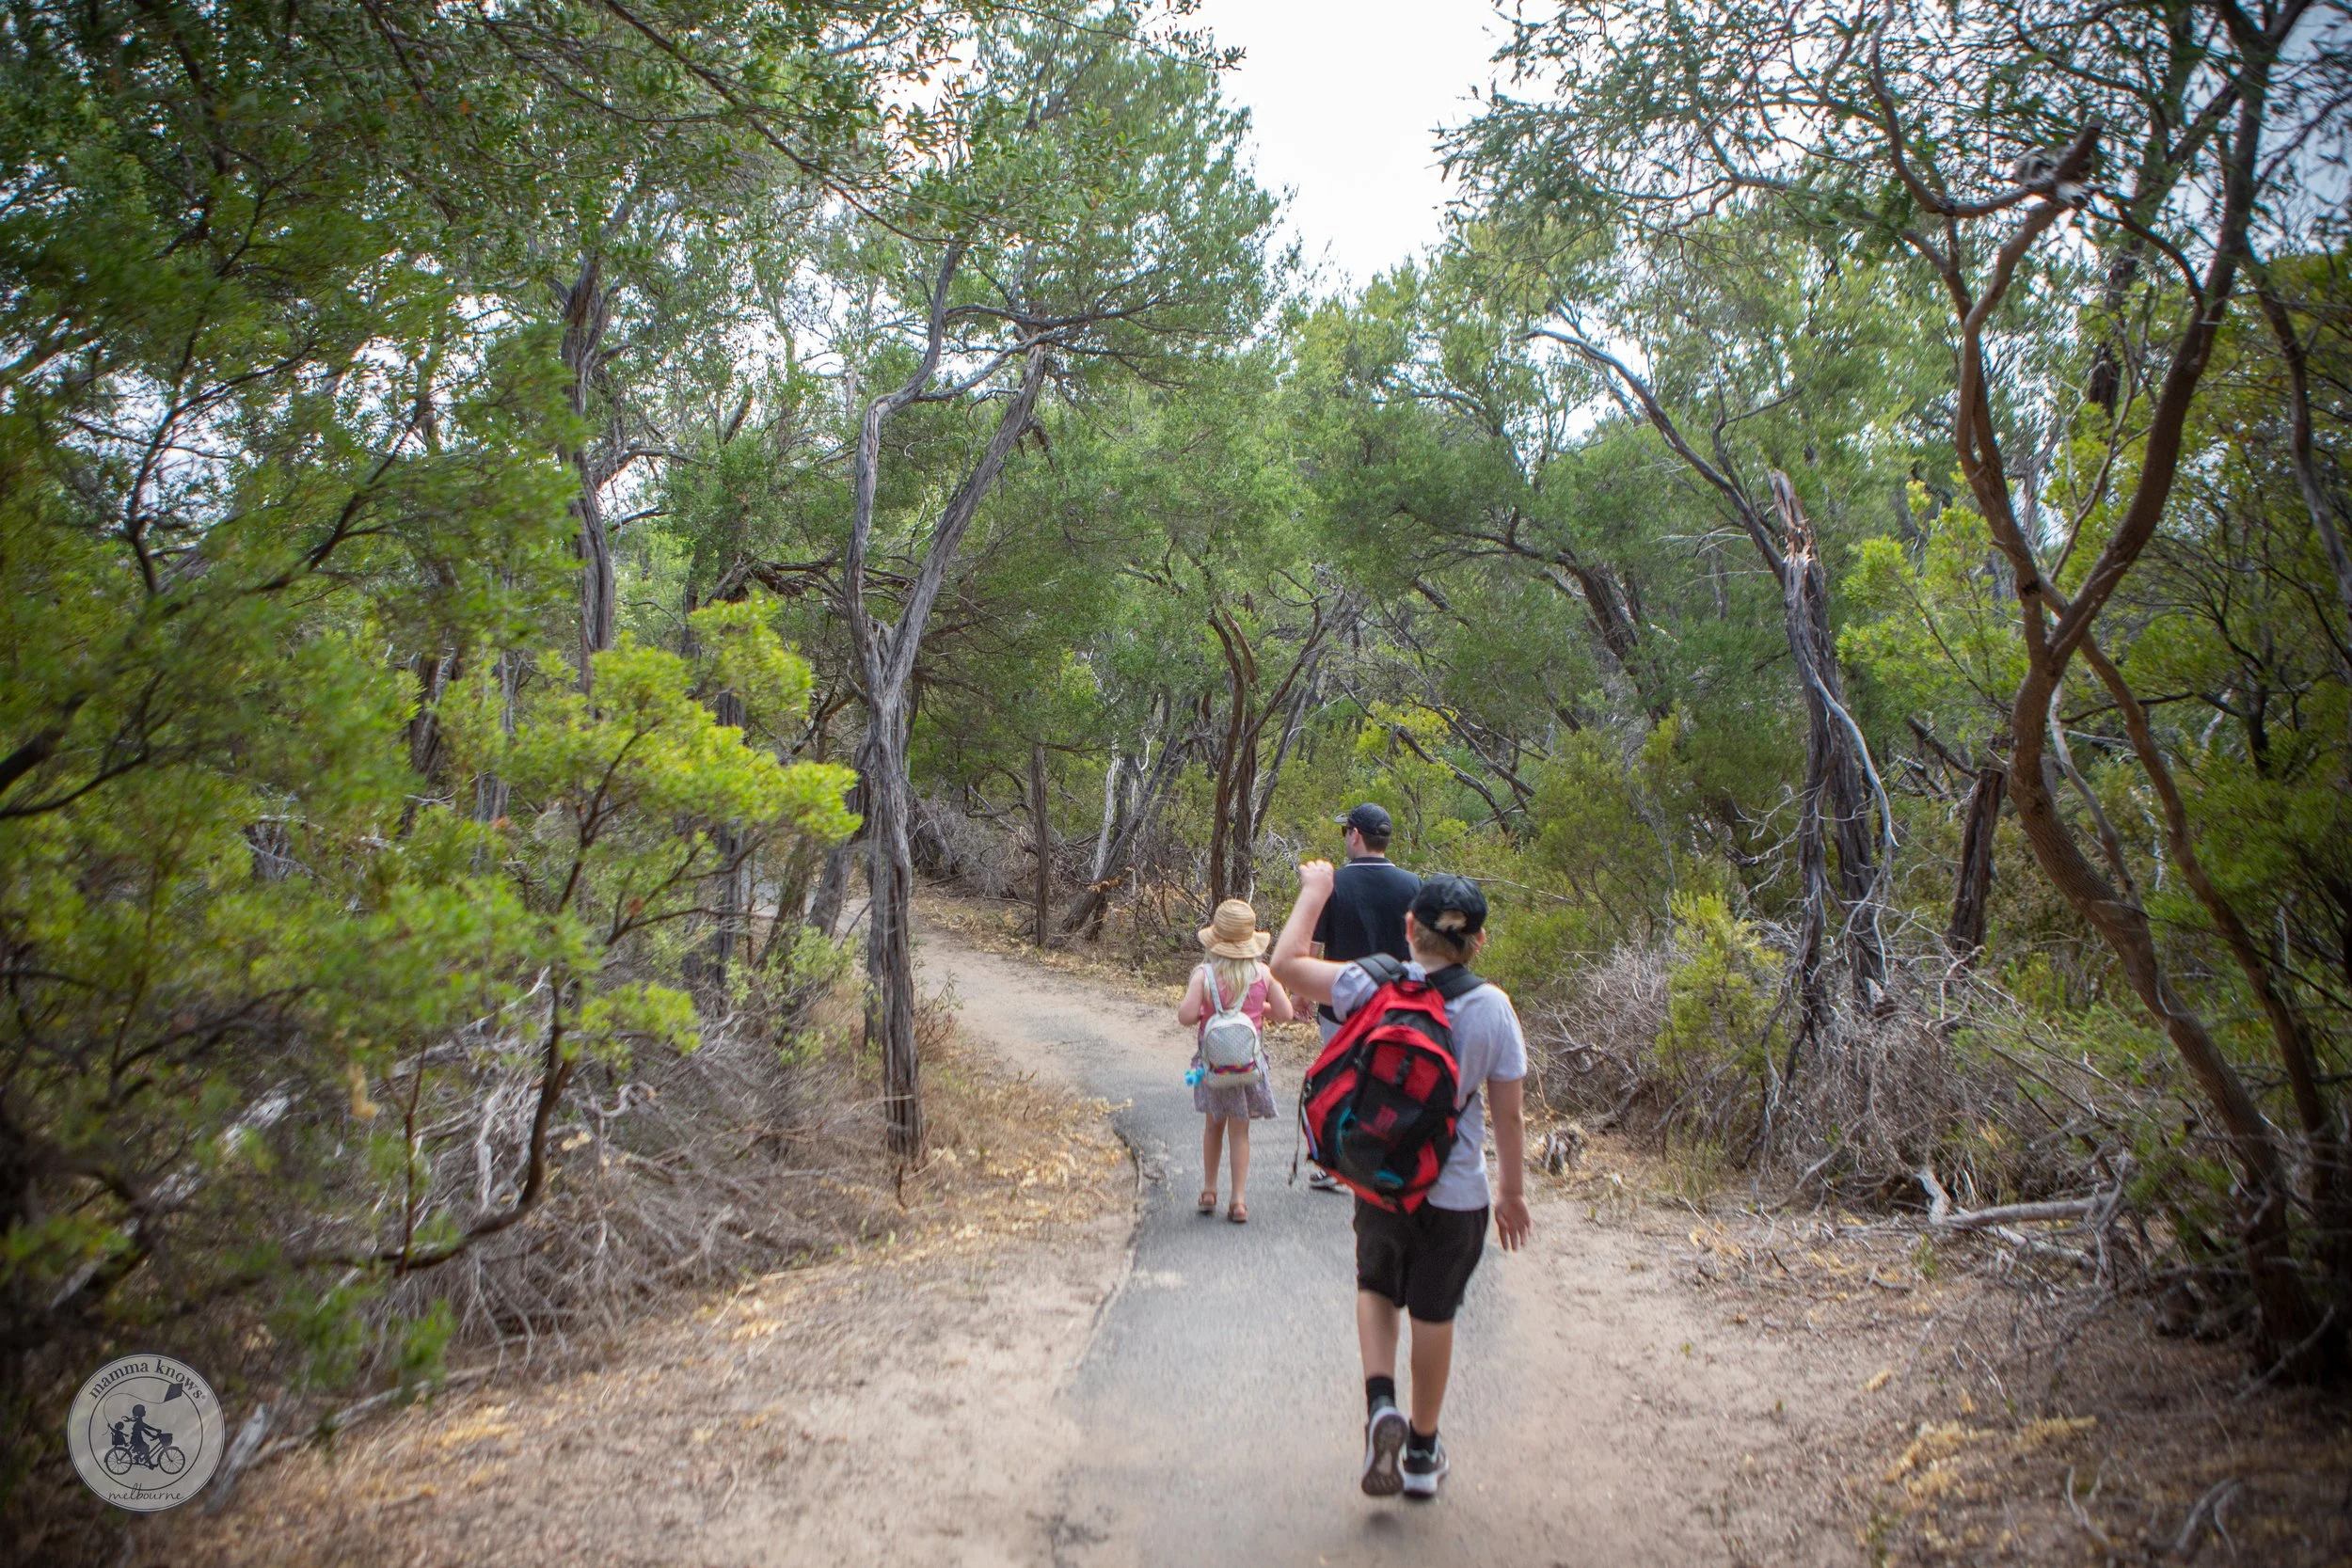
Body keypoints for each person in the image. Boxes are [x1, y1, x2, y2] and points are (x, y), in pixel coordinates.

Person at [1271, 865, 1531, 1501]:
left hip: (1383, 1180)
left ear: (1409, 927)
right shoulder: (1493, 1007)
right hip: (1457, 1192)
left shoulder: (1371, 980)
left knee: (1376, 1287)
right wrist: (1512, 1193)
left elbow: (1284, 963)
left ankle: (1380, 1401)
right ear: (1480, 941)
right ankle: (1421, 1447)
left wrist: (1316, 890)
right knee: (1435, 1313)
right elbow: (1509, 1114)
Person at [1304, 803, 1420, 1192]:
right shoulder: (1413, 885)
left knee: (1341, 1081)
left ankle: (1337, 1164)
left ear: (1354, 834)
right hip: (1397, 1004)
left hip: (1341, 1003)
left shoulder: (1333, 883)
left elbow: (1313, 944)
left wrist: (1302, 990)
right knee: (1392, 1084)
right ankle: (1387, 1161)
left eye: (1345, 833)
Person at [1176, 897, 1295, 1225]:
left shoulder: (1204, 974)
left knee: (1213, 1126)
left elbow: (1185, 1016)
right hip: (1248, 1067)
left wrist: (1206, 1009)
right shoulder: (1263, 974)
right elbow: (1285, 1014)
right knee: (1240, 1133)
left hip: (1213, 1067)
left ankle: (1209, 1191)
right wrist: (1259, 1010)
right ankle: (1239, 1201)